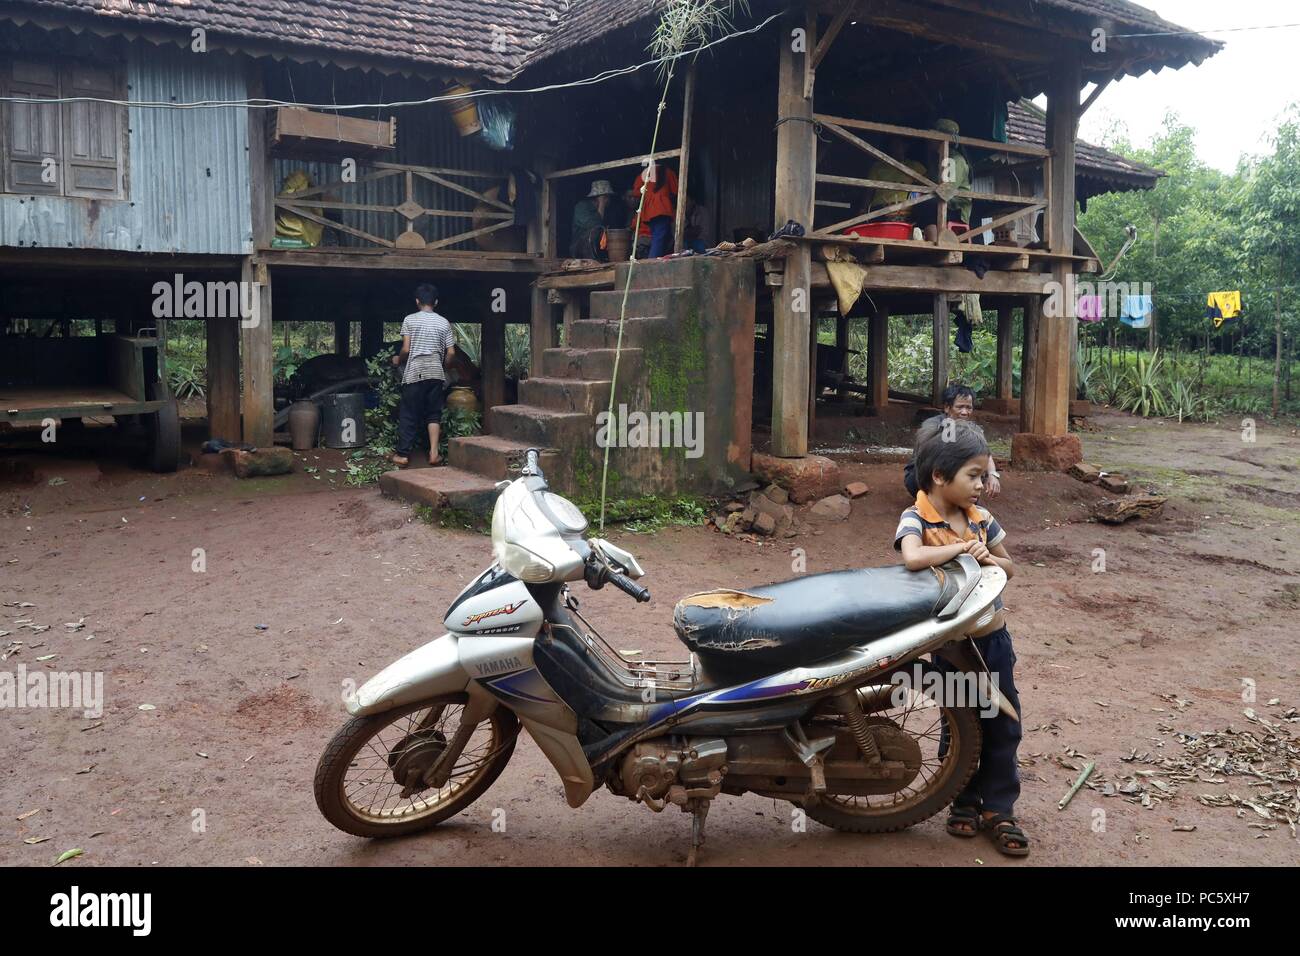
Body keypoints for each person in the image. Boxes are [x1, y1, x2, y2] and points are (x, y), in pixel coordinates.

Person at [894, 416, 1028, 857]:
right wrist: (959, 549)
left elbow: (1010, 567)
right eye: (974, 475)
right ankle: (964, 803)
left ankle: (1000, 808)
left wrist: (988, 555)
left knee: (1003, 724)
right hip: (952, 647)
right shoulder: (916, 516)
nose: (981, 485)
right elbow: (913, 558)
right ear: (938, 476)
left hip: (992, 640)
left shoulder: (982, 519)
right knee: (960, 725)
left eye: (984, 475)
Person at [390, 283, 455, 468]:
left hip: (415, 372)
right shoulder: (444, 322)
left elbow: (406, 349)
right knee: (434, 413)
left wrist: (398, 359)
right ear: (436, 302)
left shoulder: (410, 320)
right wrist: (443, 366)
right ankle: (434, 454)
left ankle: (402, 455)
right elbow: (451, 353)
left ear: (417, 301)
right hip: (436, 372)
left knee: (409, 413)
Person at [903, 384, 1001, 498]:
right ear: (947, 407)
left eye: (968, 408)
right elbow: (928, 459)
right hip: (923, 476)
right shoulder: (932, 425)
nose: (964, 412)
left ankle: (958, 497)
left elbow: (985, 453)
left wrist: (993, 475)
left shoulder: (974, 429)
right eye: (959, 407)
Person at [858, 136, 928, 221]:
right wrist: (864, 209)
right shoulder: (878, 167)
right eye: (894, 144)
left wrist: (913, 202)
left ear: (906, 146)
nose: (897, 147)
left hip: (905, 208)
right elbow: (869, 191)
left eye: (900, 144)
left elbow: (926, 187)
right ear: (890, 147)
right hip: (880, 207)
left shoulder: (915, 166)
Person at [628, 162, 678, 258]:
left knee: (657, 236)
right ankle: (652, 261)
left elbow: (636, 192)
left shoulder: (645, 173)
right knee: (659, 238)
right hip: (662, 208)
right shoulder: (668, 172)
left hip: (649, 210)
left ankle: (653, 259)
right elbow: (676, 191)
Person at [570, 179, 616, 259]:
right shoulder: (581, 207)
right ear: (603, 197)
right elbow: (595, 226)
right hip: (578, 248)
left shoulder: (607, 211)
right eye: (607, 197)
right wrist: (601, 204)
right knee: (596, 230)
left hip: (596, 248)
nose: (609, 200)